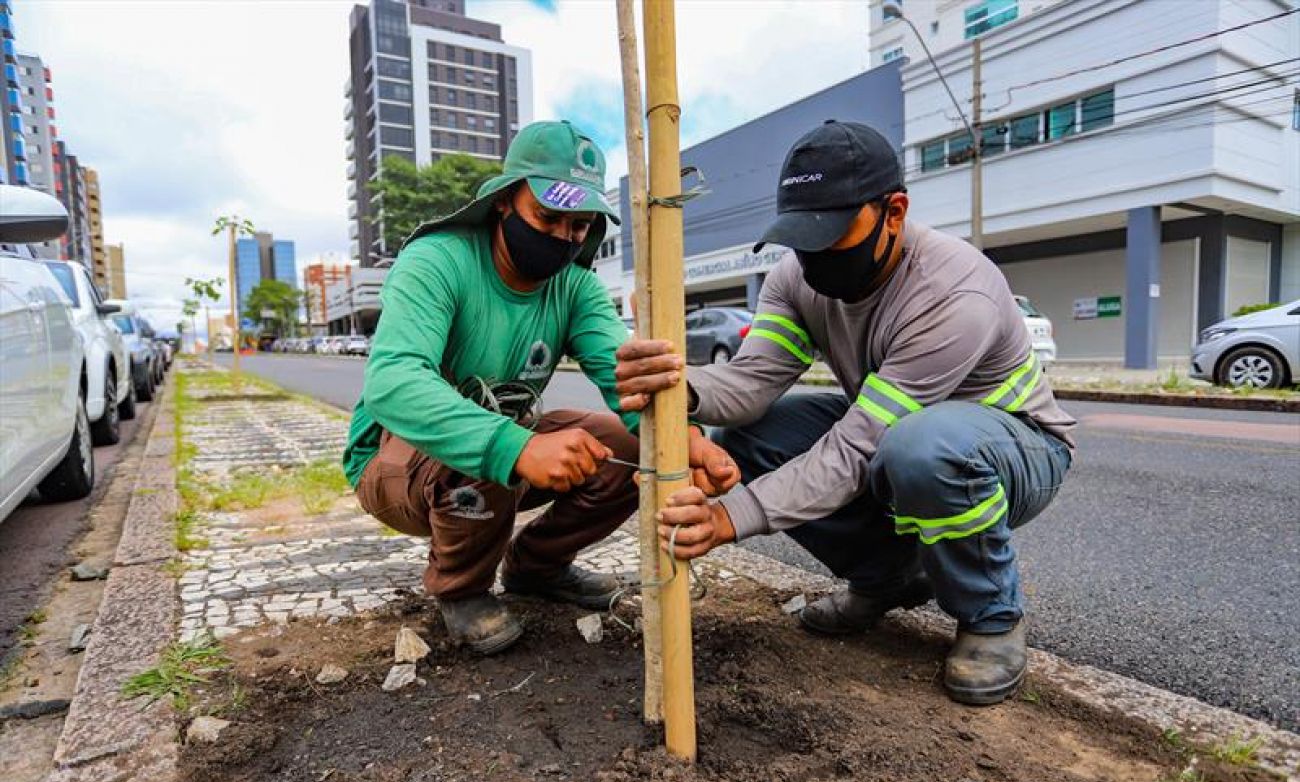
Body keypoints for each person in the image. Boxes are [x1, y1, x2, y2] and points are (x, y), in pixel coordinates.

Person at [617, 121, 1077, 705]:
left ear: (894, 211)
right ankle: (886, 579)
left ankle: (991, 613)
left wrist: (730, 516)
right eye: (800, 236)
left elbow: (860, 445)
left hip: (1015, 446)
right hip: (895, 424)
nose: (815, 254)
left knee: (920, 448)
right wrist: (681, 388)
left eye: (831, 232)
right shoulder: (794, 279)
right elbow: (754, 379)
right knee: (753, 436)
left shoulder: (954, 290)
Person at [342, 120, 736, 656]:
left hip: (496, 449)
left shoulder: (576, 287)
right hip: (392, 461)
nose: (562, 237)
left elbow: (623, 379)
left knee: (625, 446)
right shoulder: (438, 260)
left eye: (579, 226)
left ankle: (537, 567)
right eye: (548, 216)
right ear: (505, 201)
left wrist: (683, 438)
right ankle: (462, 588)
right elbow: (393, 383)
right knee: (489, 448)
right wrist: (518, 445)